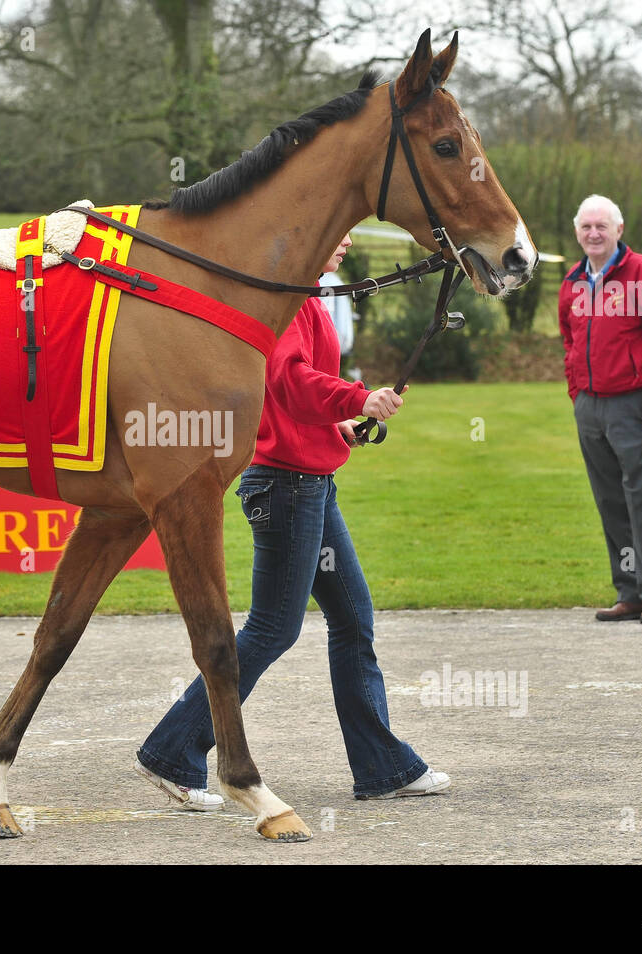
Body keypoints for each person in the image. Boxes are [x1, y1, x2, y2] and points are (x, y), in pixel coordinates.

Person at [133, 233, 450, 809]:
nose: (348, 240)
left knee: (353, 620)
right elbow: (286, 381)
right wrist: (357, 400)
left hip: (308, 483)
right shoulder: (287, 302)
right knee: (274, 628)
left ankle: (382, 766)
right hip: (286, 488)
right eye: (339, 231)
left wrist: (339, 428)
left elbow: (287, 403)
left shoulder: (306, 296)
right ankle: (171, 751)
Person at [558, 195, 642, 625]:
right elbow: (569, 340)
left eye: (602, 226)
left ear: (619, 230)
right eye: (586, 227)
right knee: (611, 502)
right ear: (578, 233)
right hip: (590, 408)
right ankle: (630, 591)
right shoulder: (573, 282)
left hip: (637, 406)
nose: (594, 234)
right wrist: (576, 391)